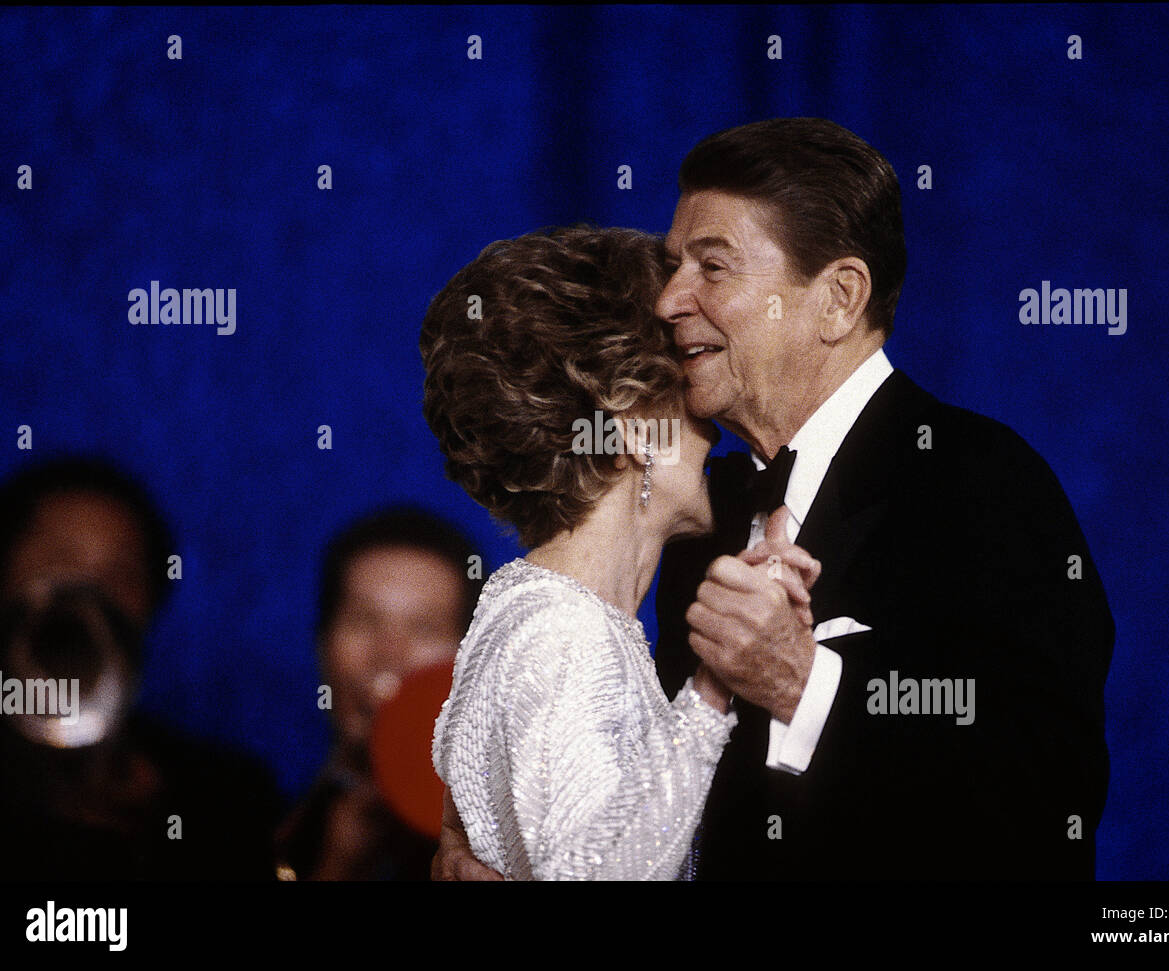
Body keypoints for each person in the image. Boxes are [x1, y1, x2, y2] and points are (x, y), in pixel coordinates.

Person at [435, 119, 1115, 881]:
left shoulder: (983, 483)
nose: (667, 301)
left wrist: (806, 684)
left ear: (838, 299)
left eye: (712, 268)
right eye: (670, 265)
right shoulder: (698, 522)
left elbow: (1051, 808)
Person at [419, 225, 819, 880]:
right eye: (683, 381)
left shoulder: (546, 615)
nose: (710, 422)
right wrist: (716, 685)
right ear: (633, 423)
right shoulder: (562, 633)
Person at [0, 456, 281, 880]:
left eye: (120, 574)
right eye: (60, 561)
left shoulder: (222, 792)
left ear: (151, 609)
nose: (87, 593)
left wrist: (145, 845)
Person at [274, 505, 481, 880]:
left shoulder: (518, 836)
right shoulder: (240, 814)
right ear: (323, 643)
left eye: (425, 628)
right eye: (364, 620)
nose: (389, 655)